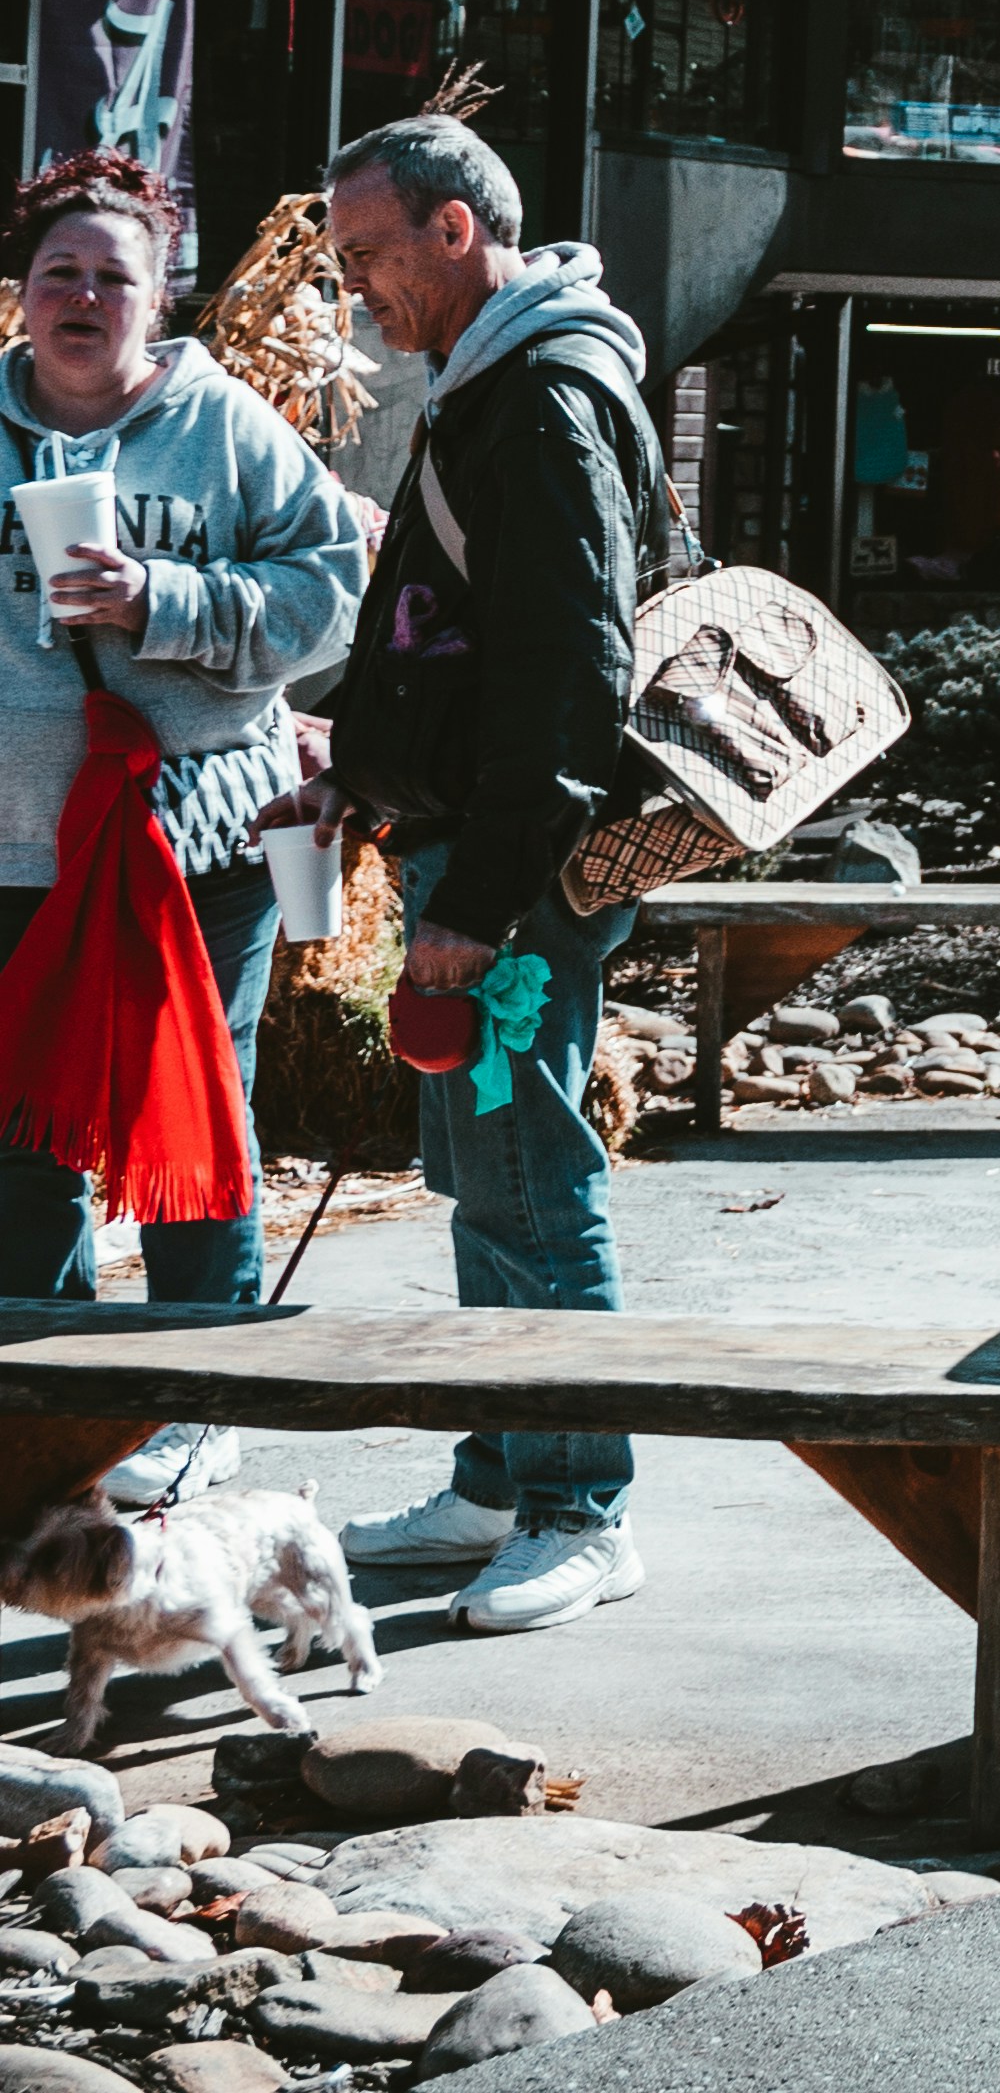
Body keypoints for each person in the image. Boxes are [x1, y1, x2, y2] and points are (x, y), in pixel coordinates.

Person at [296, 115, 664, 1632]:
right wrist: (364, 768)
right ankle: (505, 1477)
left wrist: (474, 902)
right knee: (485, 1180)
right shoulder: (491, 376)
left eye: (367, 252)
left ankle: (582, 1509)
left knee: (529, 1181)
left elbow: (567, 681)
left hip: (512, 878)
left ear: (455, 230)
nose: (354, 287)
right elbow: (463, 638)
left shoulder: (542, 392)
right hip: (482, 857)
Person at [0, 154, 365, 1501]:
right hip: (15, 845)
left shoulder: (228, 429)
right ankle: (43, 1405)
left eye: (115, 275)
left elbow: (331, 595)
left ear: (159, 298)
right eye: (61, 272)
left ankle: (200, 1399)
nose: (85, 296)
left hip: (197, 841)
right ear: (22, 291)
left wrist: (164, 601)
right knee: (24, 1126)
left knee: (195, 1116)